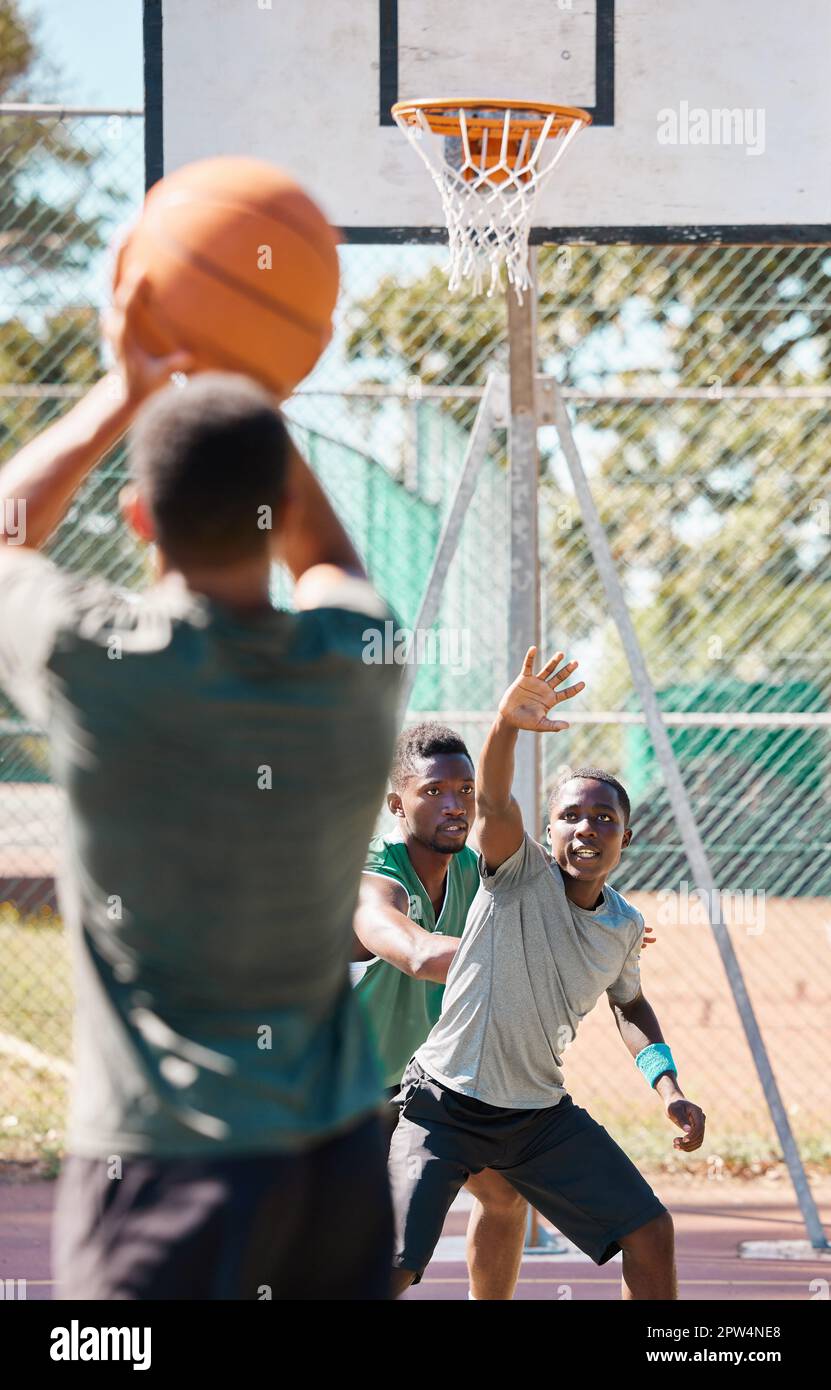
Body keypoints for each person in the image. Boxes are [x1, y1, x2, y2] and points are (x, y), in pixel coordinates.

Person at [0, 277, 402, 1299]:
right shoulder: (362, 661)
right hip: (337, 1169)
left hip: (158, 1168)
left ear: (138, 517)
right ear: (273, 517)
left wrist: (120, 392)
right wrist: (254, 384)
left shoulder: (89, 659)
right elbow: (328, 559)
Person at [389, 648, 705, 1299]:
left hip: (535, 1116)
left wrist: (667, 1086)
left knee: (648, 1231)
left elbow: (630, 1005)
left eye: (604, 818)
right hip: (442, 1103)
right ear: (546, 833)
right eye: (569, 816)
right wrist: (506, 725)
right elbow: (496, 798)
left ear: (625, 837)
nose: (586, 827)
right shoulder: (517, 874)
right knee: (392, 1266)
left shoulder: (620, 924)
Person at [353, 719, 657, 1300]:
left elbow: (569, 879)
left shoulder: (479, 869)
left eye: (466, 791)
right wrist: (539, 953)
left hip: (432, 1085)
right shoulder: (371, 877)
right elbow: (416, 954)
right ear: (397, 803)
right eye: (434, 791)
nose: (456, 805)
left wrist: (599, 932)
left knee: (503, 1195)